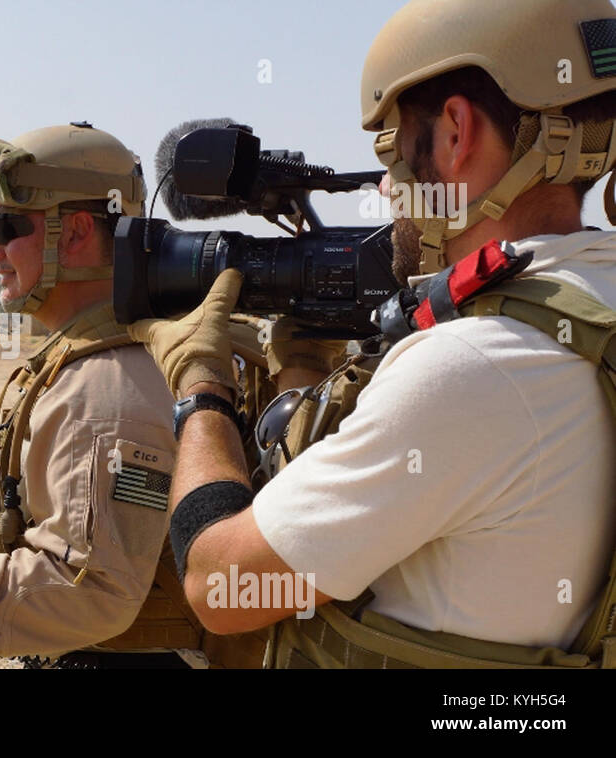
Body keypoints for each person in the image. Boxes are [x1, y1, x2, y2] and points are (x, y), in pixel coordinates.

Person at [132, 0, 616, 668]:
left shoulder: (474, 368)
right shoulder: (588, 313)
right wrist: (301, 368)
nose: (387, 185)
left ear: (454, 133)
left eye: (387, 147)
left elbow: (222, 586)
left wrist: (201, 388)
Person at [0, 122, 271, 667]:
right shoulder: (97, 357)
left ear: (75, 232)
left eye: (7, 224)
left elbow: (91, 592)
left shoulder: (107, 386)